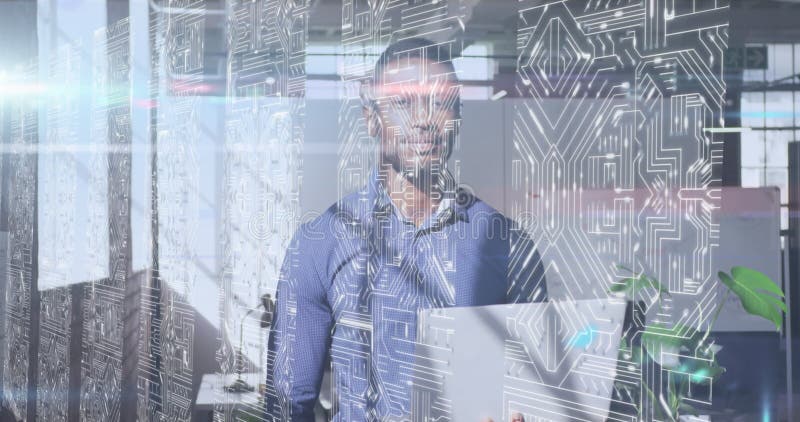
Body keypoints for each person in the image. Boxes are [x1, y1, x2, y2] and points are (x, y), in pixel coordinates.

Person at [266, 37, 547, 421]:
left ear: (458, 115)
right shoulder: (320, 242)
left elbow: (539, 396)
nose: (424, 118)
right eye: (403, 101)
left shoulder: (507, 245)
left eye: (440, 101)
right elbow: (286, 405)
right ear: (371, 118)